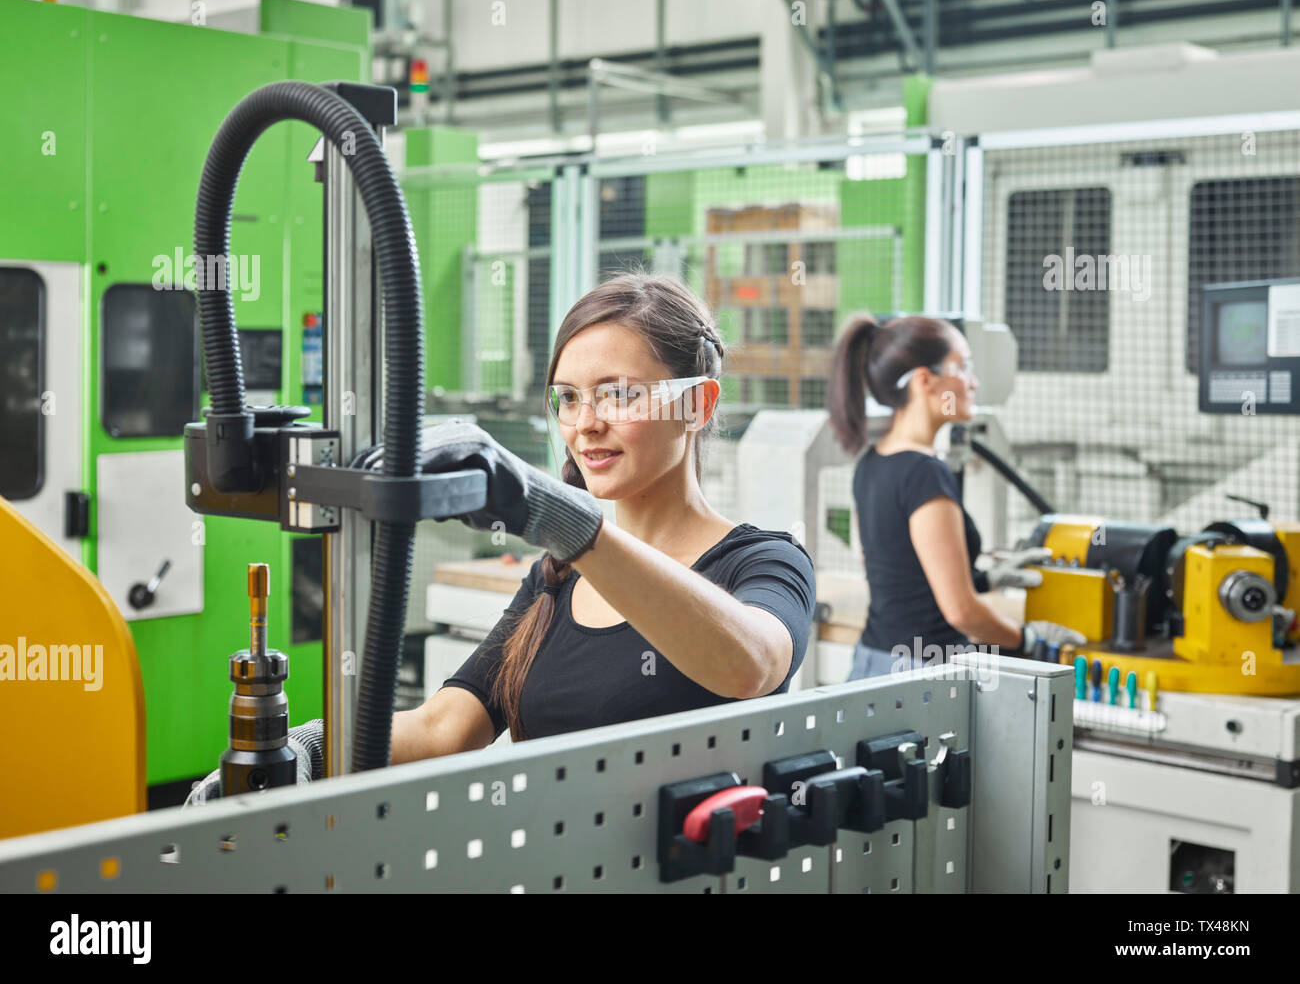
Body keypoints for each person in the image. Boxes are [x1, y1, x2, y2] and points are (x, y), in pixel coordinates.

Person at [186, 274, 814, 802]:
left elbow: (748, 666)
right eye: (568, 398)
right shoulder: (556, 579)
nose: (586, 424)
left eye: (618, 395)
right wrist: (307, 745)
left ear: (697, 405)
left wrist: (561, 518)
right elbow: (444, 728)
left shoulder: (762, 562)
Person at [826, 313, 1077, 682]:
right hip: (923, 676)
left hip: (872, 663)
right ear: (925, 381)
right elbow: (961, 613)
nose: (973, 382)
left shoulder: (871, 463)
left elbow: (901, 579)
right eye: (962, 368)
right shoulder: (925, 473)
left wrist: (986, 580)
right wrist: (1028, 640)